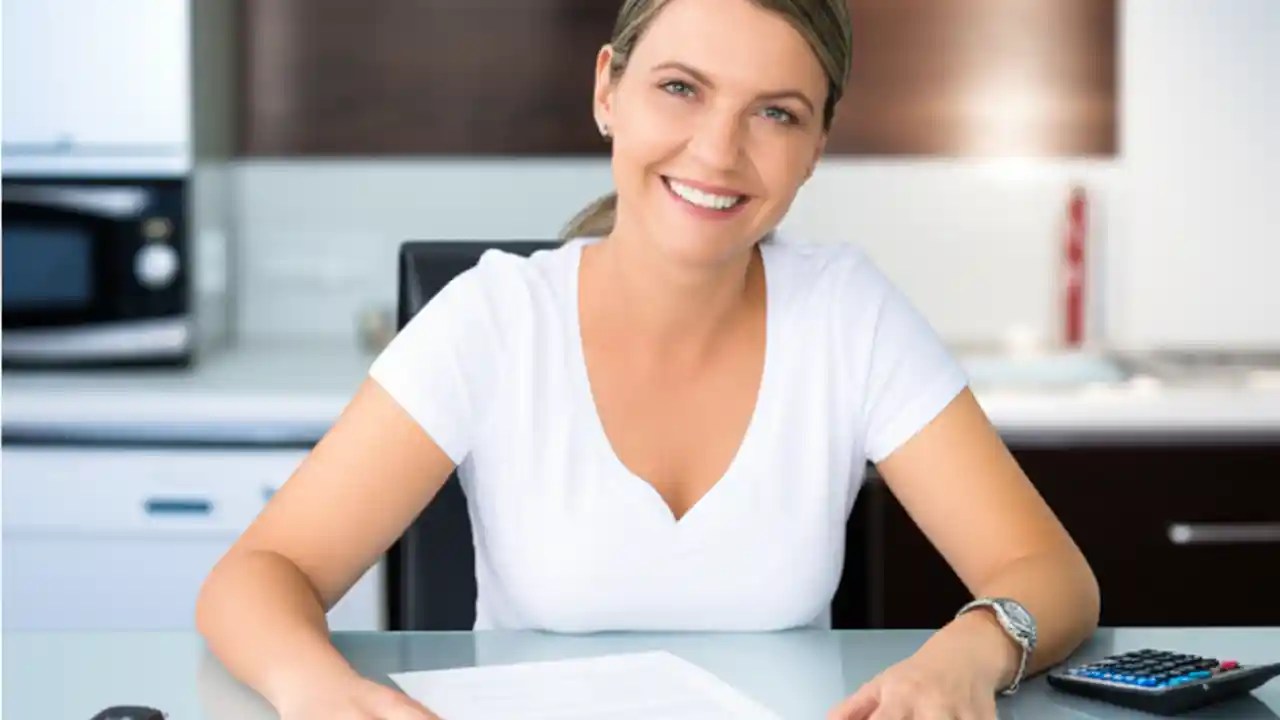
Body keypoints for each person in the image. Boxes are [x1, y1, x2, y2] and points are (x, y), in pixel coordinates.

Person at [195, 0, 1101, 717]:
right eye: (680, 88)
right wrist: (315, 691)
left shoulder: (846, 316)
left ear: (817, 144)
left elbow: (1048, 574)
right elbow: (261, 573)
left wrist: (966, 655)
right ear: (608, 90)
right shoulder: (495, 317)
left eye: (775, 113)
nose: (717, 150)